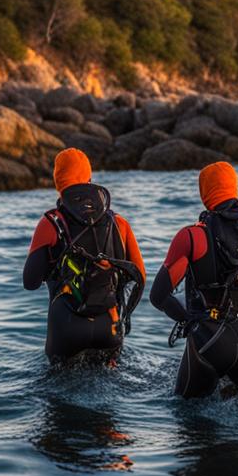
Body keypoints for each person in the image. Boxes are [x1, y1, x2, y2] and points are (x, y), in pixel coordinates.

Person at [150, 162, 238, 398]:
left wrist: (190, 320)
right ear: (234, 189)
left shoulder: (191, 236)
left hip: (210, 343)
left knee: (190, 420)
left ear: (204, 194)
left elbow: (158, 296)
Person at [23, 148, 145, 363]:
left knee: (58, 391)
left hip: (66, 325)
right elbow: (140, 276)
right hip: (110, 325)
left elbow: (30, 282)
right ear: (89, 178)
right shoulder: (120, 223)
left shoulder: (51, 223)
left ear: (58, 182)